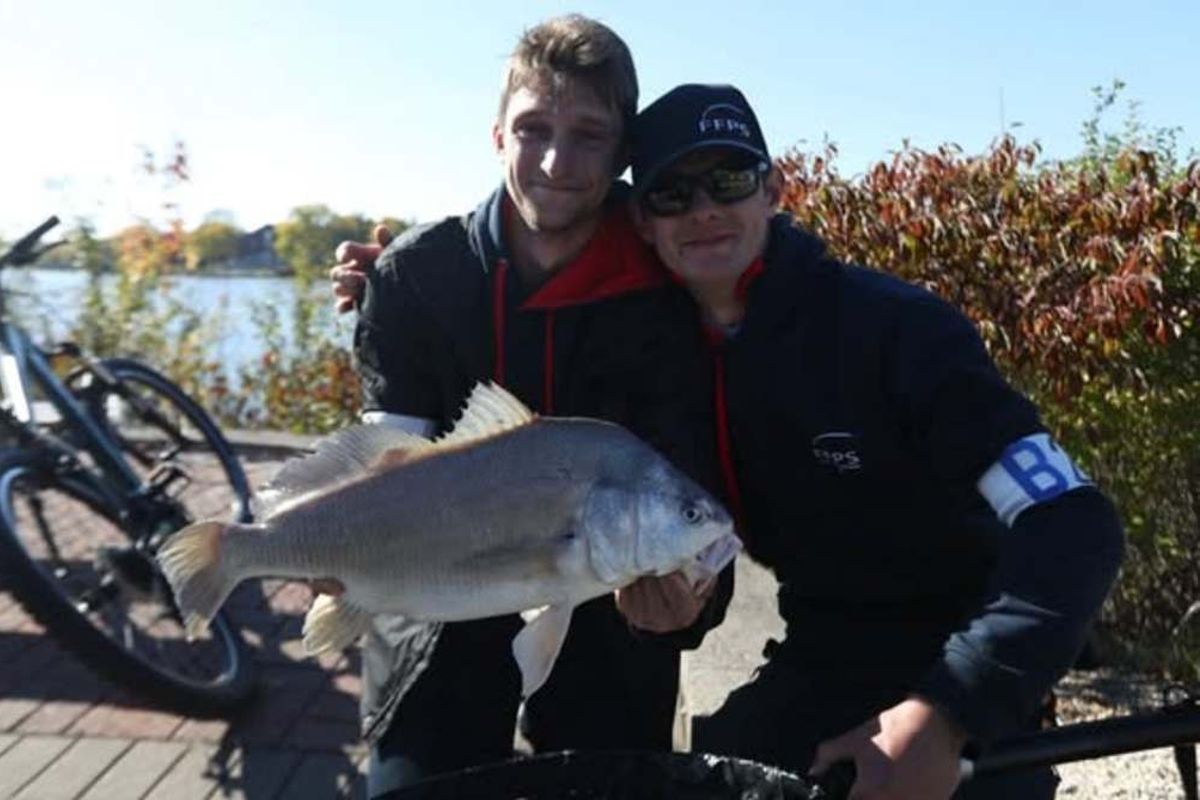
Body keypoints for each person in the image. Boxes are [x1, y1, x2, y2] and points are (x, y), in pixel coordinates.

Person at [624, 83, 1125, 800]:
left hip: (964, 656)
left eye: (728, 179)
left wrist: (947, 712)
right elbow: (704, 557)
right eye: (672, 193)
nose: (703, 209)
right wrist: (678, 611)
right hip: (819, 656)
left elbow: (1074, 522)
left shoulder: (899, 332)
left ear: (773, 191)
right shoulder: (658, 363)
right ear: (643, 221)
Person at [340, 18, 731, 798]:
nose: (556, 161)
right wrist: (334, 543)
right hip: (433, 609)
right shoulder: (415, 276)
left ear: (622, 153)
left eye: (589, 134)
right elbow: (385, 460)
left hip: (611, 621)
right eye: (533, 129)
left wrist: (695, 599)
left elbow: (699, 489)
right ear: (496, 137)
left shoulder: (672, 285)